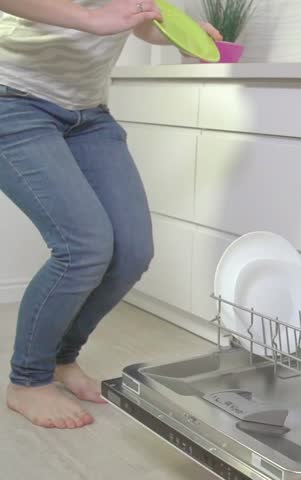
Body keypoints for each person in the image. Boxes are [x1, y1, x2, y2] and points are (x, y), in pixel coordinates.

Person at [0, 0, 221, 429]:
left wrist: (181, 35)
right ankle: (28, 380)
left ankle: (62, 359)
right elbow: (98, 16)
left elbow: (139, 17)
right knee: (83, 247)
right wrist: (88, 18)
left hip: (89, 113)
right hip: (14, 98)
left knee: (132, 252)